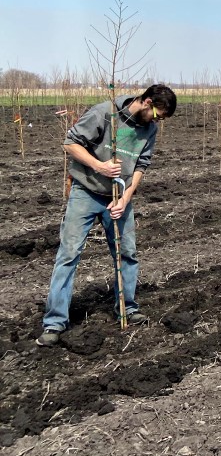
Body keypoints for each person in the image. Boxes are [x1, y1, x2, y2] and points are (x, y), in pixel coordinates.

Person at [36, 84, 177, 347]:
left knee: (127, 253)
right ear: (146, 102)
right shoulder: (105, 113)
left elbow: (140, 166)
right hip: (86, 193)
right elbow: (70, 143)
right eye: (157, 115)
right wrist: (99, 166)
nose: (158, 122)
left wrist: (125, 199)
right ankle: (54, 322)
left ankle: (127, 308)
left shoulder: (150, 129)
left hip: (118, 197)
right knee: (68, 254)